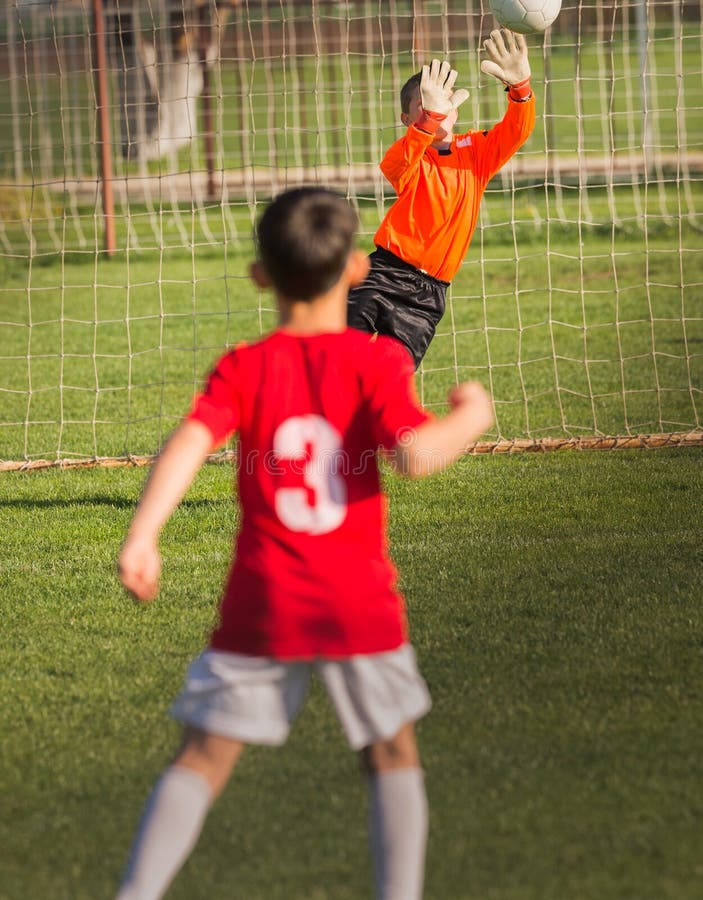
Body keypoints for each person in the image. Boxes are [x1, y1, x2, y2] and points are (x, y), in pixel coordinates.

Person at [115, 186, 494, 900]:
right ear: (356, 269)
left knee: (203, 754)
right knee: (390, 752)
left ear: (261, 274)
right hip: (356, 604)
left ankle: (135, 893)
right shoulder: (373, 362)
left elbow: (190, 441)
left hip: (265, 602)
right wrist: (472, 415)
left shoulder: (243, 366)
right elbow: (413, 455)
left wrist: (144, 535)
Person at [347, 29, 536, 368]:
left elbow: (516, 131)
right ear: (408, 120)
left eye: (442, 102)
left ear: (456, 109)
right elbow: (396, 165)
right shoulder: (411, 155)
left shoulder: (476, 152)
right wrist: (428, 118)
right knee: (338, 352)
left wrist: (520, 89)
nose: (437, 108)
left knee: (390, 375)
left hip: (427, 296)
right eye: (423, 103)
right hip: (383, 273)